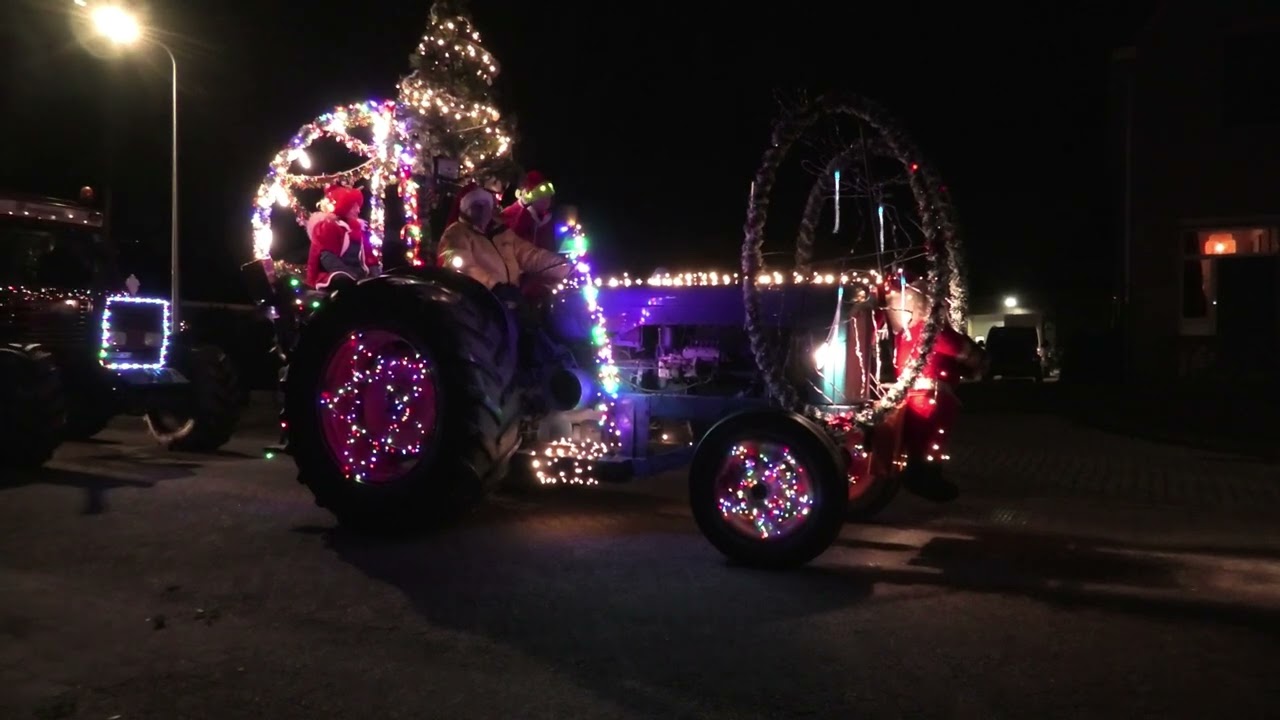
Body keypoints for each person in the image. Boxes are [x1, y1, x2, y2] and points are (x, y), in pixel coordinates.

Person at [438, 185, 573, 292]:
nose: (482, 209)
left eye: (486, 204)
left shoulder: (502, 233)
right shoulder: (457, 233)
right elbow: (463, 266)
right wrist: (494, 286)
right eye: (476, 206)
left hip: (510, 299)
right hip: (480, 302)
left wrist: (566, 268)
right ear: (465, 209)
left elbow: (531, 255)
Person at [305, 185, 380, 290]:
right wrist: (351, 277)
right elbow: (328, 258)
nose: (358, 210)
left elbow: (369, 256)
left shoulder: (358, 229)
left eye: (358, 206)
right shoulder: (329, 226)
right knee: (342, 282)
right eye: (354, 206)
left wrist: (375, 274)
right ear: (344, 206)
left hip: (360, 276)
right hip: (339, 277)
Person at [499, 170, 557, 252]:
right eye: (542, 196)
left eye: (548, 196)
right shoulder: (522, 217)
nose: (547, 200)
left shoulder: (549, 219)